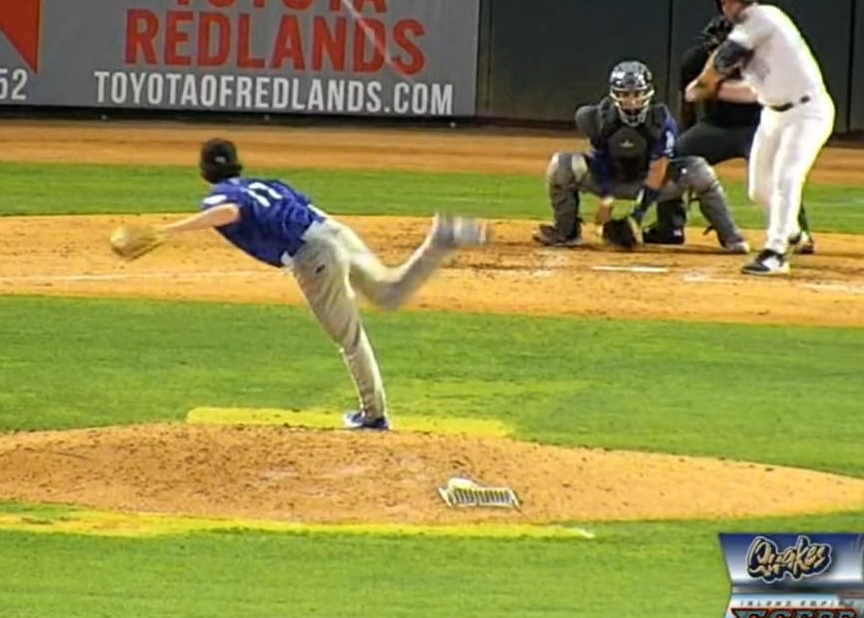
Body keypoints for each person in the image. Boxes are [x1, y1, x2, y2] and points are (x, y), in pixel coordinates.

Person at [127, 139, 488, 431]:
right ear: (237, 165)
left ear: (204, 171)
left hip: (313, 253)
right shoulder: (267, 184)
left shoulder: (218, 195)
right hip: (332, 229)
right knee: (388, 293)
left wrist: (169, 230)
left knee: (349, 338)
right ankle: (440, 240)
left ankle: (373, 415)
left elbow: (230, 211)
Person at [686, 0, 836, 276]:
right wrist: (710, 90)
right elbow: (751, 92)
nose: (728, 6)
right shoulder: (754, 48)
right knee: (758, 189)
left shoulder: (763, 17)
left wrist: (702, 85)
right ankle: (793, 232)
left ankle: (775, 252)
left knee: (787, 177)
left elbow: (724, 59)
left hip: (808, 112)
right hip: (773, 114)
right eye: (723, 1)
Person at [642, 0, 814, 254]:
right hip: (715, 127)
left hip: (756, 127)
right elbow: (687, 106)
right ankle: (670, 226)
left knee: (780, 171)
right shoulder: (696, 60)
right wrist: (682, 138)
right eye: (716, 45)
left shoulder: (762, 59)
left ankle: (799, 233)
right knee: (674, 156)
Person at [532, 60, 747, 253]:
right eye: (625, 94)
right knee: (562, 165)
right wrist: (606, 197)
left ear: (647, 93)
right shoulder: (595, 118)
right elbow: (599, 160)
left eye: (636, 94)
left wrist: (637, 215)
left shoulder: (660, 120)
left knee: (699, 171)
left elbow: (659, 168)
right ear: (614, 94)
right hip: (610, 179)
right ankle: (566, 231)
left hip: (649, 183)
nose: (631, 100)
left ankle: (732, 237)